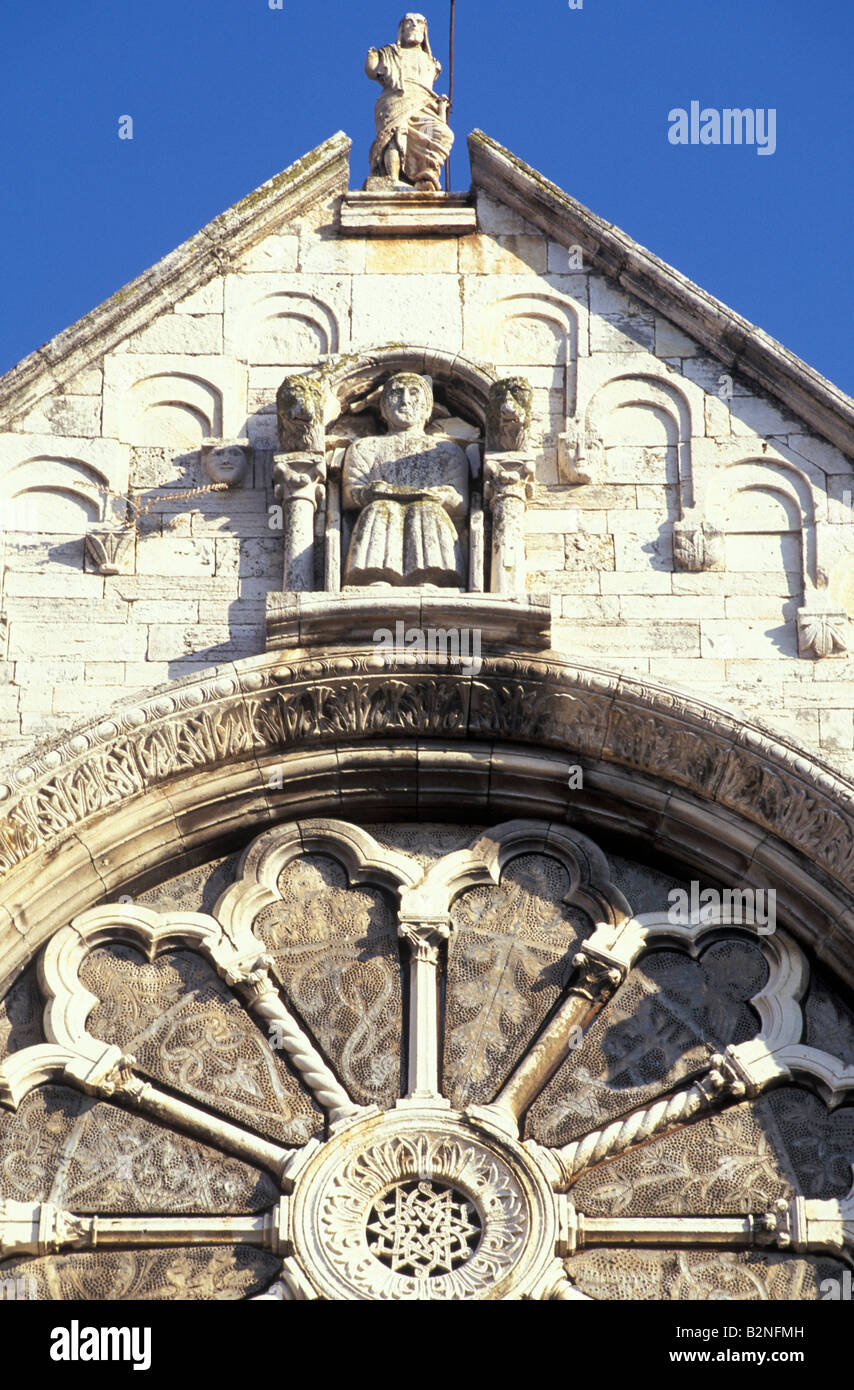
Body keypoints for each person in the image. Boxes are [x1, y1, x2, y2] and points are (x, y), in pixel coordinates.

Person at [342, 373, 468, 587]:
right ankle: (377, 576)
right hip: (379, 509)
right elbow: (349, 494)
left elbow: (462, 503)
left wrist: (443, 496)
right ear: (382, 407)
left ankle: (431, 578)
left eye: (414, 393)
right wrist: (367, 493)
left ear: (428, 408)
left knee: (427, 509)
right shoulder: (365, 447)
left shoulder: (447, 451)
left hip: (431, 511)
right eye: (396, 393)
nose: (405, 400)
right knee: (380, 508)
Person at [366, 13, 453, 192]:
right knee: (397, 136)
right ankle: (392, 177)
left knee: (440, 134)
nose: (413, 25)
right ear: (402, 29)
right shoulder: (390, 53)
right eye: (409, 22)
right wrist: (372, 59)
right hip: (396, 101)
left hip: (424, 104)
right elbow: (373, 71)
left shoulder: (432, 62)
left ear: (424, 30)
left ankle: (427, 173)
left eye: (419, 22)